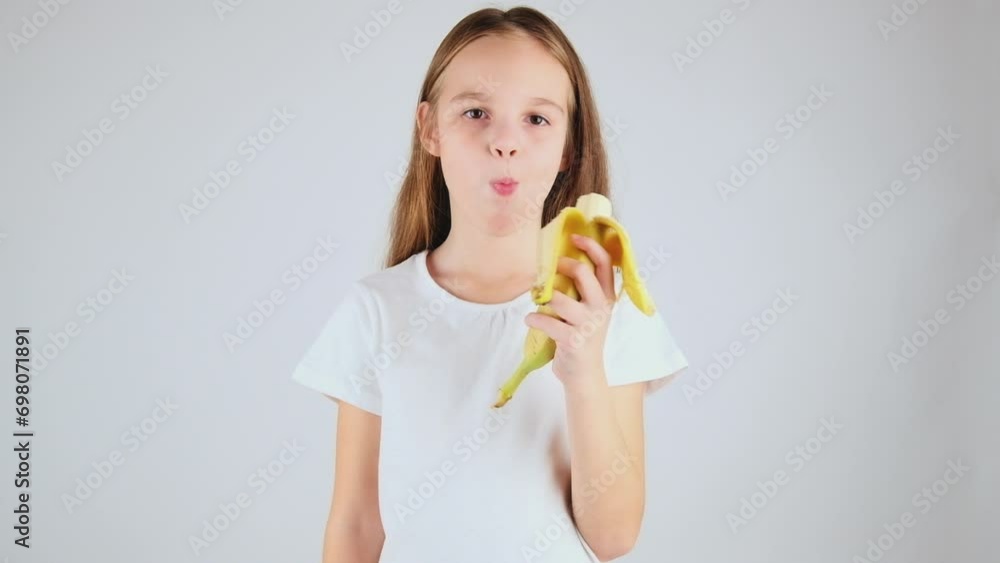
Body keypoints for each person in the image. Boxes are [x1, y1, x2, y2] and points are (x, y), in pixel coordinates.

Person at [292, 6, 689, 562]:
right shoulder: (377, 309)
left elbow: (614, 536)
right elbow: (357, 524)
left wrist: (584, 374)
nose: (505, 142)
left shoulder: (606, 306)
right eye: (476, 111)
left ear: (569, 147)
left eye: (537, 119)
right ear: (430, 129)